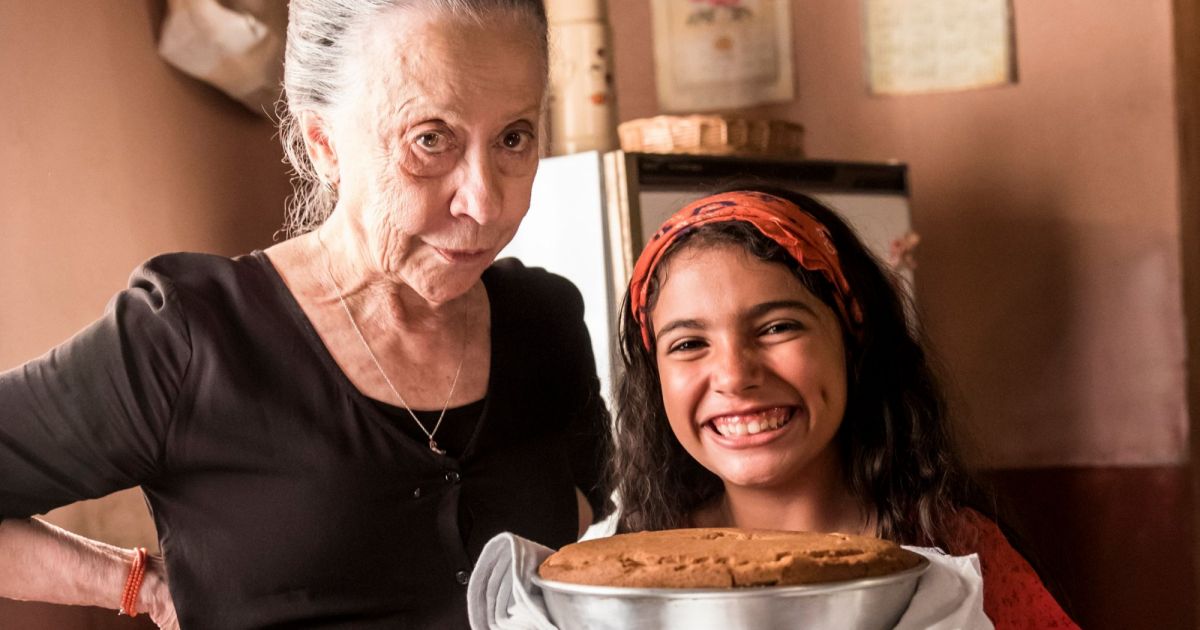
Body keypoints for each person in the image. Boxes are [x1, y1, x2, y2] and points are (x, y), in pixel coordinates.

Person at [0, 1, 610, 628]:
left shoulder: (546, 320)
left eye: (513, 137)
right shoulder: (192, 338)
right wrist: (136, 584)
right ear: (323, 145)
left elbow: (602, 512)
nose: (484, 203)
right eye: (430, 139)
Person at [607, 187, 1079, 629]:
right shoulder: (617, 575)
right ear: (656, 380)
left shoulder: (961, 552)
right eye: (689, 343)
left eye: (777, 327)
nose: (734, 376)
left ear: (853, 345)